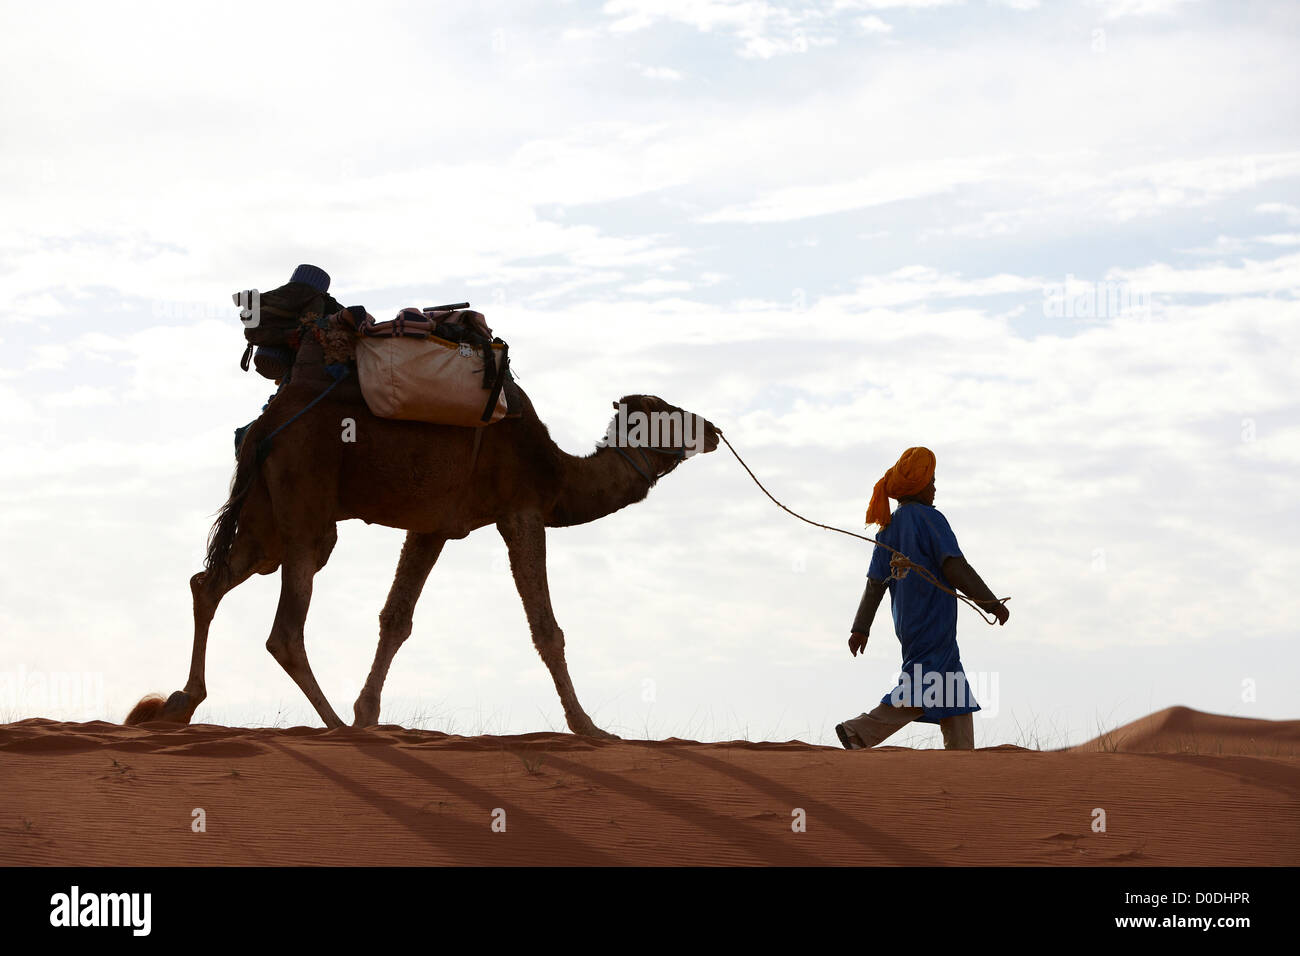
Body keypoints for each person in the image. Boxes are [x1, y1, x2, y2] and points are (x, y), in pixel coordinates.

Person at [836, 447, 1008, 751]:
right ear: (919, 485)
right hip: (932, 617)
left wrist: (860, 628)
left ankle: (961, 752)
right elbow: (954, 566)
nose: (935, 487)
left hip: (908, 620)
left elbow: (875, 584)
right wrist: (990, 604)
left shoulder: (887, 529)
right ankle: (859, 731)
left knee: (949, 685)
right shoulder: (930, 519)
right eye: (931, 481)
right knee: (925, 682)